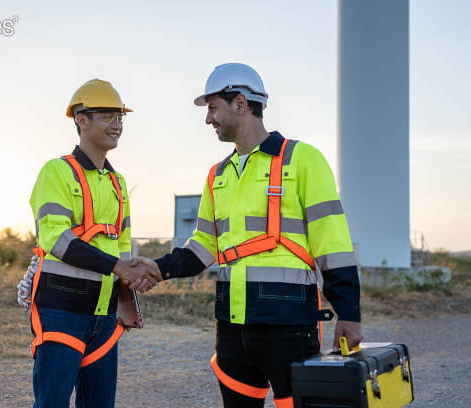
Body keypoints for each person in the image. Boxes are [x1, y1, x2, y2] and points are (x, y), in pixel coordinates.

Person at [135, 63, 362, 408]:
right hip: (230, 327)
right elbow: (202, 247)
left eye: (213, 108)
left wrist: (349, 312)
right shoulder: (217, 175)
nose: (207, 119)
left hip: (288, 325)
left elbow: (333, 244)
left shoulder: (303, 160)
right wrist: (157, 267)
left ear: (240, 103)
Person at [28, 78, 161, 408]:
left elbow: (124, 247)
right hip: (61, 308)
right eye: (106, 116)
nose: (116, 125)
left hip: (104, 316)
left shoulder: (118, 183)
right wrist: (117, 266)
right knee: (52, 403)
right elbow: (56, 238)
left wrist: (129, 286)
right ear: (81, 119)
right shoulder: (56, 172)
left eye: (120, 117)